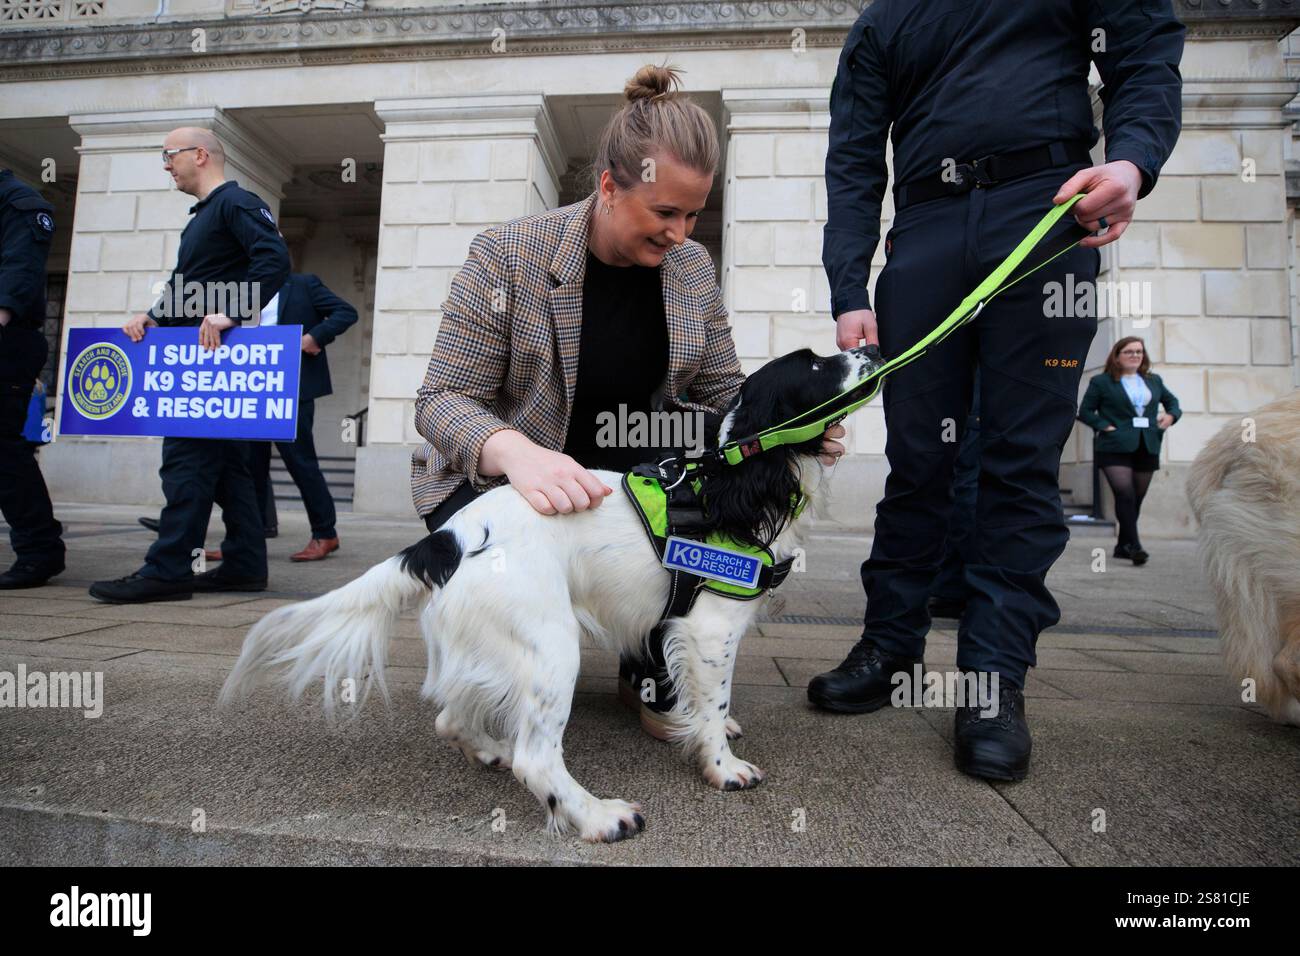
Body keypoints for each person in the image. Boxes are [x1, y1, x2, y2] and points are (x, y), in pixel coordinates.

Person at [409, 64, 845, 739]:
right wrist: (516, 455)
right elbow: (441, 399)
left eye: (694, 212)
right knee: (502, 699)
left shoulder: (692, 271)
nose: (681, 232)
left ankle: (644, 656)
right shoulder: (506, 254)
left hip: (638, 496)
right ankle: (502, 642)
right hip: (508, 485)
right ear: (610, 188)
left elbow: (726, 396)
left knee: (666, 700)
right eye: (664, 211)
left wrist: (793, 431)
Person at [812, 0, 1184, 782]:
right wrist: (852, 288)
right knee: (919, 458)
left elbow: (1145, 54)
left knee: (1019, 462)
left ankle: (992, 683)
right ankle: (889, 645)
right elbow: (853, 156)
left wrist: (1134, 160)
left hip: (1046, 213)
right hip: (923, 233)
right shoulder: (882, 23)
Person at [89, 128, 290, 604]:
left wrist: (233, 310)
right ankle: (244, 565)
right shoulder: (204, 215)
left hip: (206, 368)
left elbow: (274, 260)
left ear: (200, 155)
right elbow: (189, 283)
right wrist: (154, 317)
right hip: (197, 363)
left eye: (168, 155)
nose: (165, 165)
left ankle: (168, 569)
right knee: (228, 472)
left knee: (184, 465)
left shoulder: (235, 203)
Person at [205, 271, 358, 563]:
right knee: (248, 469)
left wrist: (314, 337)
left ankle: (325, 534)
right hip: (249, 389)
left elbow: (345, 312)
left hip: (291, 387)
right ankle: (241, 542)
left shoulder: (303, 284)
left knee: (300, 463)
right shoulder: (238, 291)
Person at [0, 167, 64, 589]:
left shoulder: (20, 202)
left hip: (8, 341)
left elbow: (19, 268)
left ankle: (40, 551)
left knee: (4, 453)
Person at [1077, 336, 1180, 565]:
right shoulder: (1101, 382)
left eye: (1139, 352)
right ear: (1117, 355)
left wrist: (1170, 416)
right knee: (1125, 495)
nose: (1135, 355)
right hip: (1114, 446)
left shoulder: (1154, 381)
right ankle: (1134, 546)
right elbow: (1085, 411)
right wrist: (1106, 426)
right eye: (1129, 352)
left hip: (1148, 444)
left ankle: (1122, 545)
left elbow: (1173, 403)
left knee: (1136, 499)